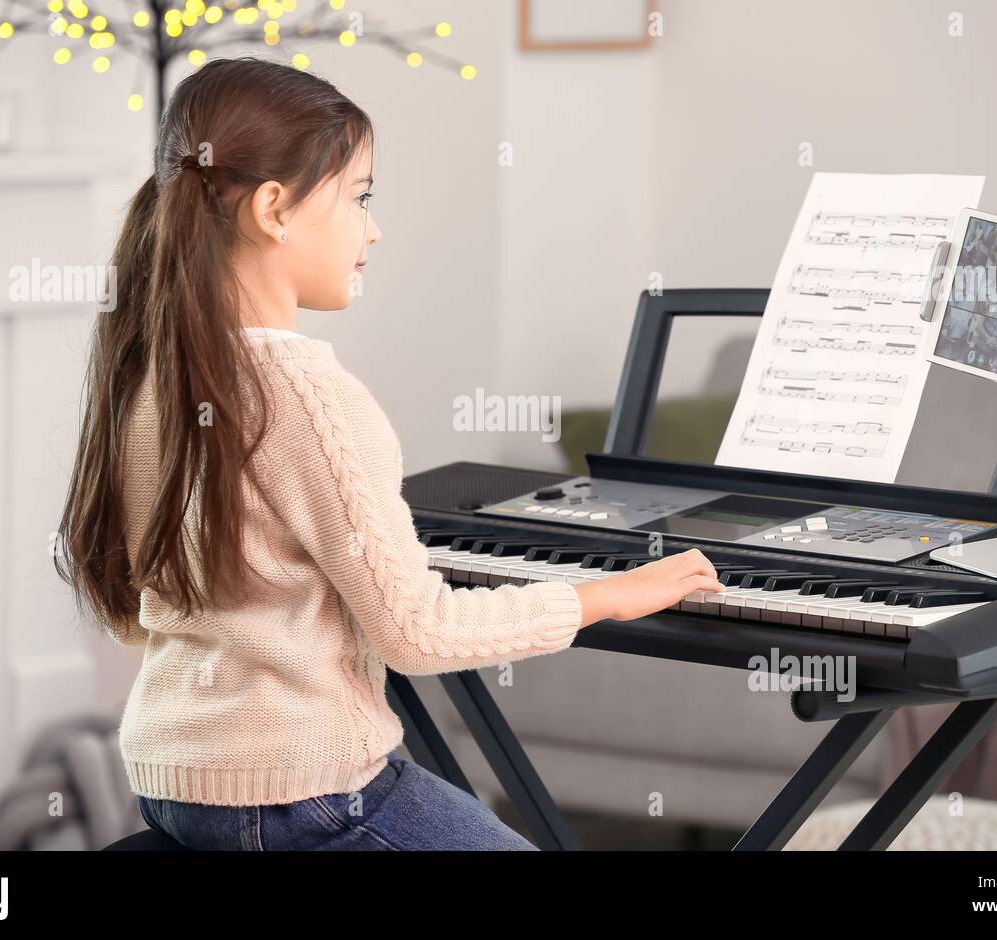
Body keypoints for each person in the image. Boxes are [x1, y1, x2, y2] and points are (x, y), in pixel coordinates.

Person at [54, 57, 726, 851]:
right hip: (303, 795)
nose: (372, 227)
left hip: (177, 788)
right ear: (274, 208)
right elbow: (417, 632)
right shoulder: (309, 394)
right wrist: (601, 595)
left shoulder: (153, 374)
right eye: (359, 196)